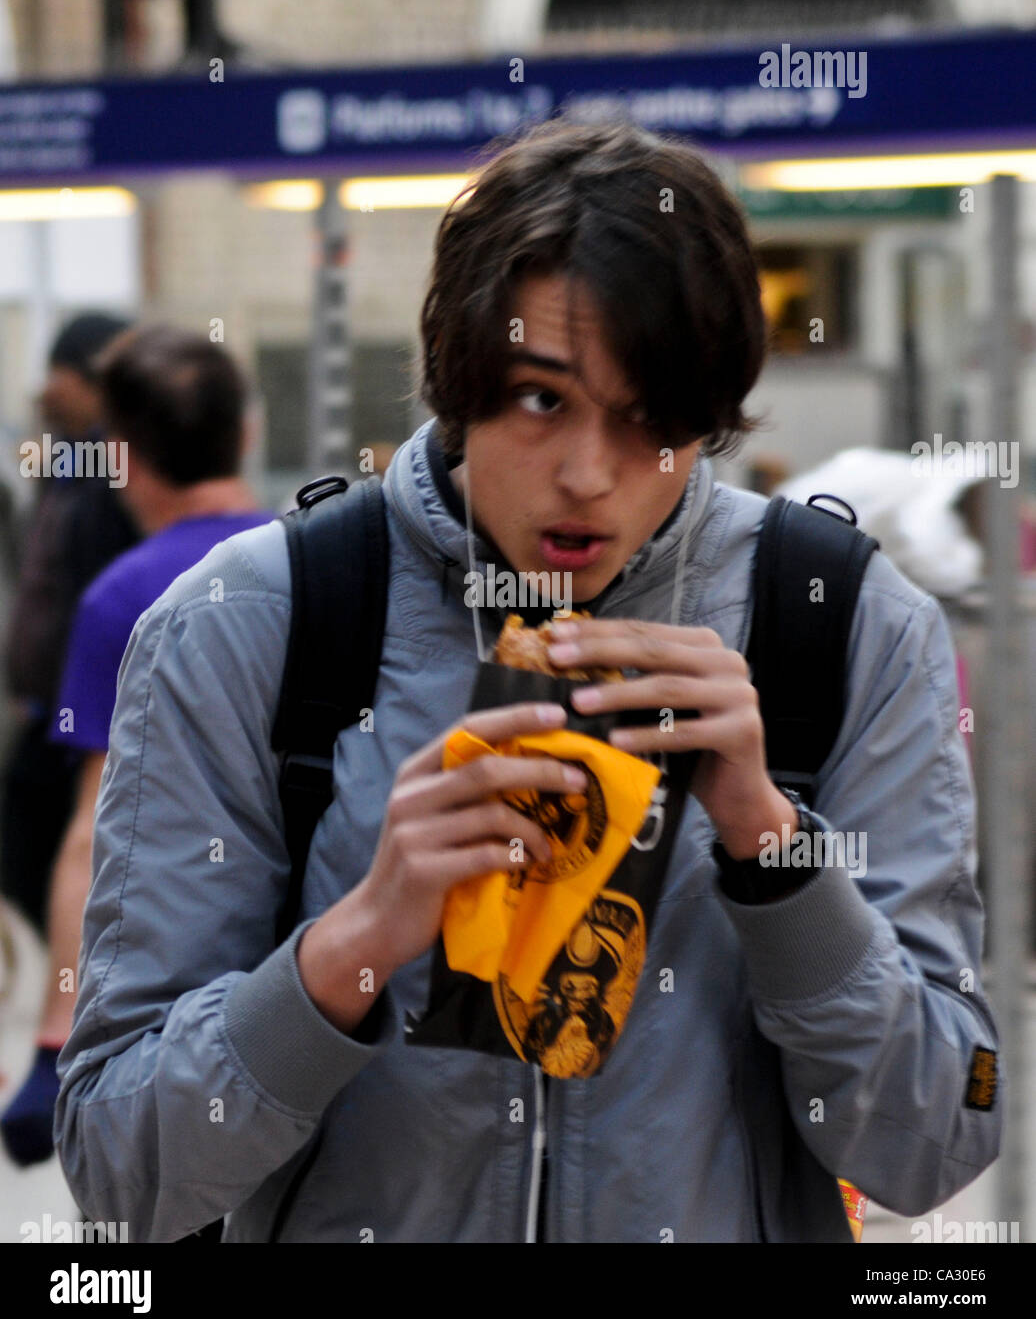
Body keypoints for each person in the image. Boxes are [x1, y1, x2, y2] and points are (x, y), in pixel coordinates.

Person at [55, 120, 1001, 1242]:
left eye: (652, 419)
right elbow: (122, 1165)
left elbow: (933, 1140)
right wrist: (355, 938)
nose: (590, 477)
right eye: (542, 400)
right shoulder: (254, 626)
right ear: (457, 379)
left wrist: (770, 845)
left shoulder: (842, 624)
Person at [1, 325, 271, 1167]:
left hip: (160, 1006)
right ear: (249, 432)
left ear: (120, 453)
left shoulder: (122, 598)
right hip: (292, 989)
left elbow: (93, 833)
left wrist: (53, 1042)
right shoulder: (309, 559)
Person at [0, 313, 139, 935]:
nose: (44, 391)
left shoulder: (115, 472)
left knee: (59, 862)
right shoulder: (72, 464)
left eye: (57, 376)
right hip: (49, 710)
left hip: (89, 715)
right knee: (26, 861)